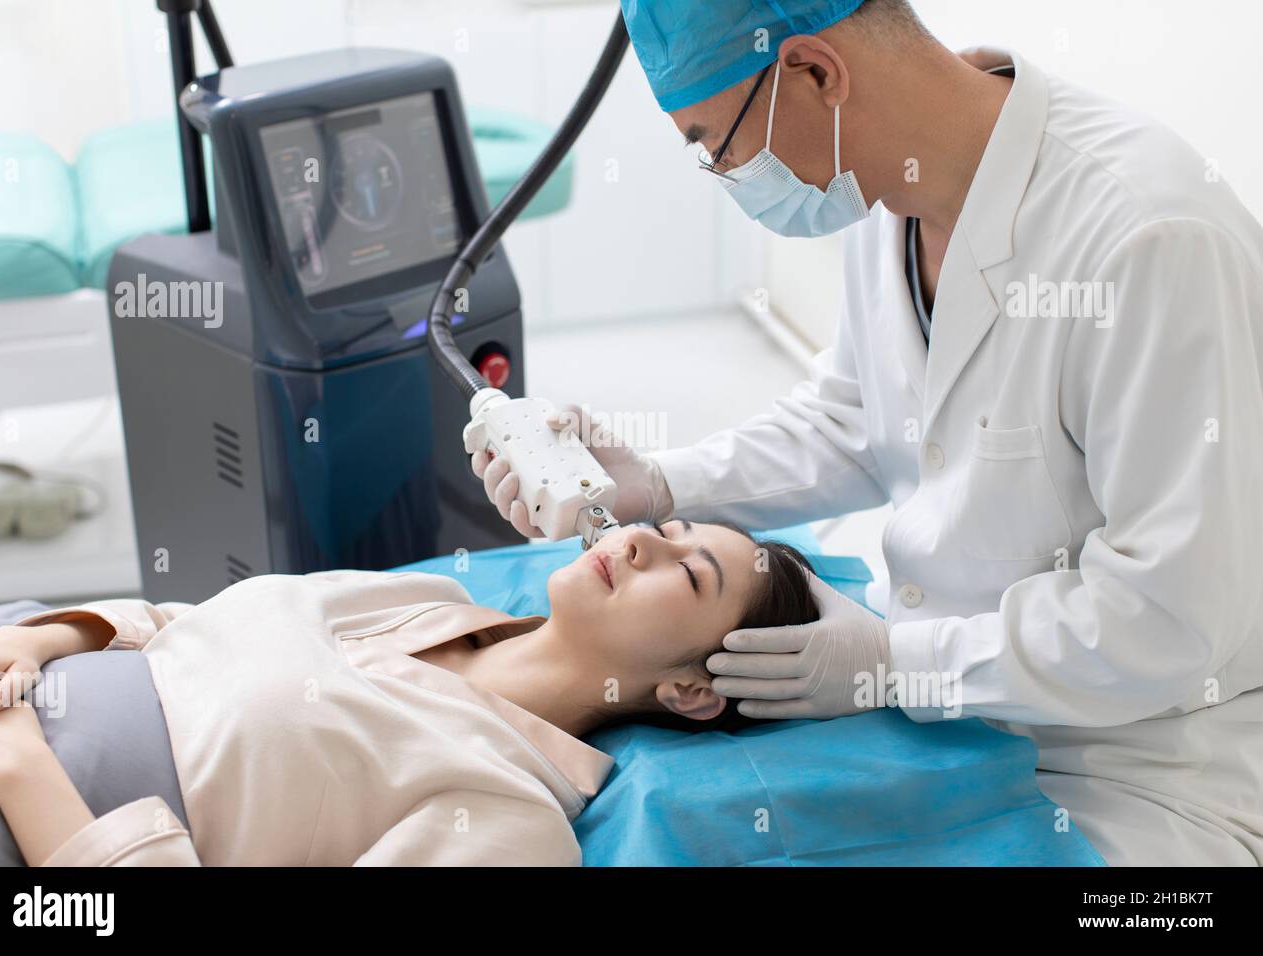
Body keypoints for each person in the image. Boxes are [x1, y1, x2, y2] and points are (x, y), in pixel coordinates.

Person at [474, 0, 1263, 865]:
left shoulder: (1149, 241)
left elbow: (1167, 623)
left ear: (816, 73)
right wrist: (659, 485)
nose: (725, 172)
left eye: (716, 143)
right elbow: (853, 419)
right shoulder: (889, 194)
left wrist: (897, 662)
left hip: (1145, 774)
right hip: (947, 730)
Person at [0, 521, 819, 866]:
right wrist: (41, 635)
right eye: (662, 530)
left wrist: (15, 768)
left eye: (688, 572)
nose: (638, 542)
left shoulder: (512, 818)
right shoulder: (431, 600)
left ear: (691, 691)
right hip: (2, 662)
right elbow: (179, 620)